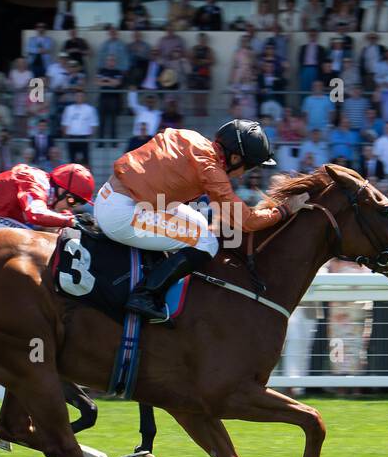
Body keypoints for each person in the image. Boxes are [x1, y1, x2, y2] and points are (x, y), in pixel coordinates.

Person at [94, 120, 308, 322]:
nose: (243, 175)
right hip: (122, 212)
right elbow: (247, 221)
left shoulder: (191, 137)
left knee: (201, 226)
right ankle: (145, 295)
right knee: (206, 243)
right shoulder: (211, 170)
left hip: (113, 195)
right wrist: (284, 210)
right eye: (248, 167)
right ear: (234, 159)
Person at [0, 162, 94, 240]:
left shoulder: (51, 193)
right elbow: (35, 214)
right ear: (61, 190)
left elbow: (61, 218)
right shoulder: (37, 182)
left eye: (78, 204)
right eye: (72, 201)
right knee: (33, 240)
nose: (73, 207)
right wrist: (72, 221)